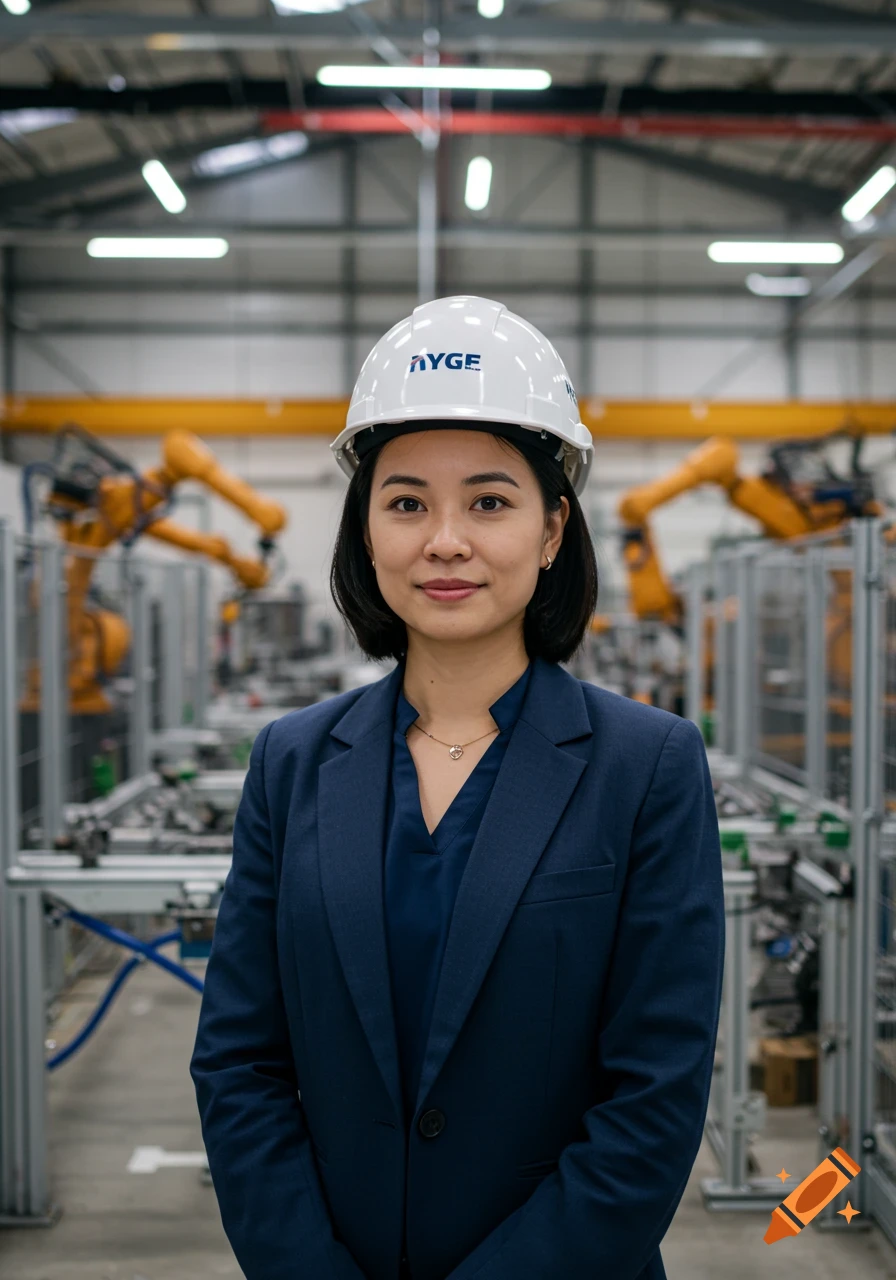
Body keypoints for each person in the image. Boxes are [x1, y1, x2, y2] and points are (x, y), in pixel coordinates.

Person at [190, 295, 725, 1280]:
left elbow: (654, 1091)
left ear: (553, 526)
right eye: (405, 502)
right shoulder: (292, 761)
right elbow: (238, 1061)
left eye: (487, 500)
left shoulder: (644, 764)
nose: (443, 539)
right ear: (366, 529)